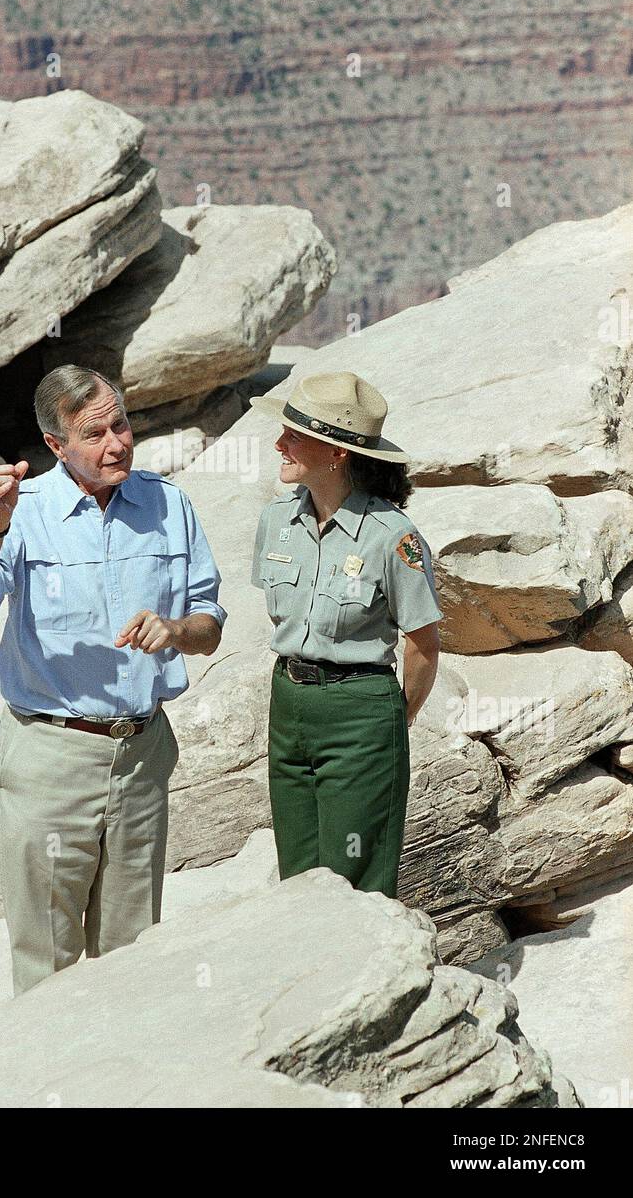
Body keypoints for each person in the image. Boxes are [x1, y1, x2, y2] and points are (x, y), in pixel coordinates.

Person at [0, 366, 226, 996]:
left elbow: (210, 625)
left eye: (121, 423)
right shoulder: (21, 509)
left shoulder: (169, 505)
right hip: (49, 758)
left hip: (142, 755)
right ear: (55, 446)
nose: (117, 443)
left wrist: (176, 631)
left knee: (135, 957)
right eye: (94, 434)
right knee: (45, 960)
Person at [249, 370, 442, 898]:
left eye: (294, 435)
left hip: (361, 714)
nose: (279, 443)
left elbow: (422, 643)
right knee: (300, 876)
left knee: (354, 880)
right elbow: (283, 618)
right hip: (288, 703)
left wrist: (390, 722)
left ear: (337, 454)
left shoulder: (392, 536)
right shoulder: (277, 520)